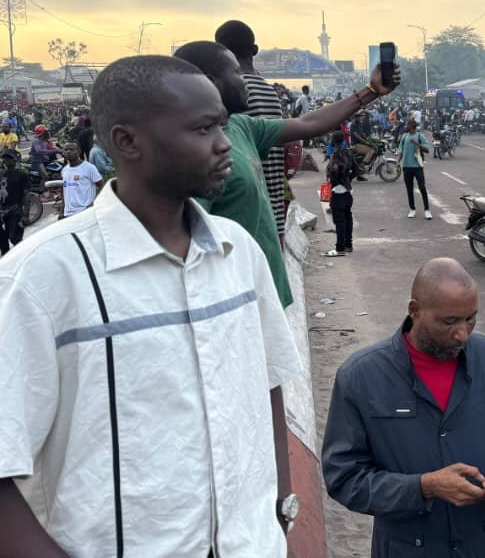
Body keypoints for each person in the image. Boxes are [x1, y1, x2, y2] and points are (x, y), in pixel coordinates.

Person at [0, 55, 303, 556]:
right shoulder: (42, 277)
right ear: (127, 141)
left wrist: (278, 510)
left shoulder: (237, 252)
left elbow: (268, 382)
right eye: (203, 128)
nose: (224, 143)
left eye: (222, 126)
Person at [322, 258, 485, 558]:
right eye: (449, 321)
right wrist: (423, 487)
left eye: (471, 318)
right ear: (415, 310)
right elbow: (343, 478)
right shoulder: (360, 377)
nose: (463, 334)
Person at [174, 41, 400, 307]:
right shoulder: (190, 155)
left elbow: (309, 123)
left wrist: (371, 91)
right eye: (236, 74)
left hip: (268, 294)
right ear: (211, 83)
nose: (246, 81)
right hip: (236, 305)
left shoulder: (241, 126)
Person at [215, 20, 289, 241]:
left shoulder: (233, 92)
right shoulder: (269, 89)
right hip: (274, 203)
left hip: (248, 212)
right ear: (254, 50)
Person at [325, 130, 355, 256]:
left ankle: (340, 248)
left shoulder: (335, 154)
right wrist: (347, 180)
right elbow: (357, 170)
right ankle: (348, 245)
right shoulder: (348, 152)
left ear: (332, 141)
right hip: (348, 191)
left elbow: (335, 170)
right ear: (343, 140)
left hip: (337, 191)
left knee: (339, 221)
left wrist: (337, 180)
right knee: (348, 218)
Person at [59, 141, 104, 220]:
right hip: (69, 213)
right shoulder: (64, 170)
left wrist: (93, 204)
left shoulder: (89, 168)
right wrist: (62, 211)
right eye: (66, 149)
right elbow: (65, 192)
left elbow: (102, 186)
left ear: (78, 151)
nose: (68, 151)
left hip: (85, 212)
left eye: (71, 149)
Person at [398, 117, 432, 219]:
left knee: (422, 187)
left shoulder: (420, 136)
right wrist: (397, 162)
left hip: (417, 167)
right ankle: (412, 209)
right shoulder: (404, 137)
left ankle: (427, 210)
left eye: (408, 125)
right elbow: (401, 150)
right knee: (409, 189)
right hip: (406, 166)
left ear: (412, 127)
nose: (406, 127)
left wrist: (416, 143)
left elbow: (426, 149)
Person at [0, 150, 30, 254]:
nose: (6, 160)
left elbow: (26, 195)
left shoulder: (22, 175)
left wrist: (25, 215)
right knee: (2, 242)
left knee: (15, 239)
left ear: (15, 159)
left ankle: (20, 258)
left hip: (15, 210)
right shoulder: (1, 173)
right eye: (5, 158)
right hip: (1, 211)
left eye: (9, 158)